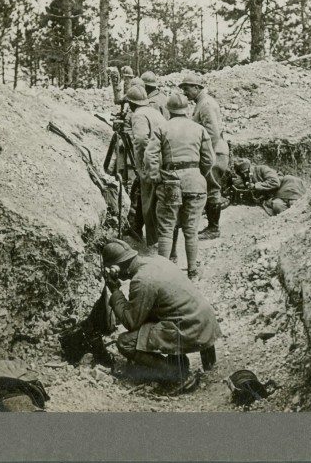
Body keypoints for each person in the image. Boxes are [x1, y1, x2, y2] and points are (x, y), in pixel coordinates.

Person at [101, 239, 222, 392]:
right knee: (151, 324)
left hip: (189, 327)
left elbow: (131, 322)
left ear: (116, 268)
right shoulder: (158, 260)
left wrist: (115, 291)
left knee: (125, 342)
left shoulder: (141, 280)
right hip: (203, 321)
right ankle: (184, 362)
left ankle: (178, 376)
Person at [144, 94, 215, 279]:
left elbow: (149, 156)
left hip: (170, 182)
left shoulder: (162, 128)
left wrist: (155, 177)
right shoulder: (199, 129)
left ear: (168, 110)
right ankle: (192, 271)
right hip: (195, 182)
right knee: (191, 230)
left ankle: (163, 274)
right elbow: (209, 159)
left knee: (166, 229)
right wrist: (198, 174)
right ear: (186, 109)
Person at [180, 74, 232, 240]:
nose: (185, 93)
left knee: (212, 189)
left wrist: (203, 155)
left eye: (186, 89)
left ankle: (213, 229)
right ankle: (211, 226)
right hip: (214, 151)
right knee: (210, 188)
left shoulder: (206, 105)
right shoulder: (201, 103)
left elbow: (213, 134)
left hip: (215, 152)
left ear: (197, 88)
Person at [126, 85, 168, 246]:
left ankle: (153, 241)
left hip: (152, 162)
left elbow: (142, 139)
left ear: (131, 103)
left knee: (148, 201)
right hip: (163, 160)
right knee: (159, 199)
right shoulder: (153, 112)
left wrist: (144, 161)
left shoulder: (138, 115)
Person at [230, 158, 307, 216]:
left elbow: (275, 182)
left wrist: (255, 186)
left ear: (250, 168)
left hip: (288, 184)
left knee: (294, 203)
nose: (245, 175)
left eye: (246, 171)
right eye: (242, 173)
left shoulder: (262, 169)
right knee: (277, 206)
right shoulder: (245, 178)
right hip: (276, 195)